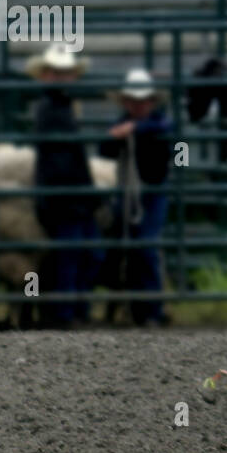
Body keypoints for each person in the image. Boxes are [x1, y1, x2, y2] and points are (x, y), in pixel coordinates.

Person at [27, 43, 100, 328]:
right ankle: (66, 315)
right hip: (65, 196)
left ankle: (73, 311)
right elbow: (61, 158)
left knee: (87, 254)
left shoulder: (60, 107)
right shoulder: (51, 109)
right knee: (73, 256)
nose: (61, 77)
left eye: (65, 72)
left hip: (72, 195)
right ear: (46, 75)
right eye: (56, 72)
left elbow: (68, 156)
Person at [99, 69, 172, 327]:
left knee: (146, 245)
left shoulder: (157, 123)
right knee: (126, 247)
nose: (139, 105)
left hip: (151, 194)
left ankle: (152, 310)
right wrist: (120, 134)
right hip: (129, 195)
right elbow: (105, 148)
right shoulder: (123, 125)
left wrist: (135, 128)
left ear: (152, 101)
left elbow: (167, 129)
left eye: (144, 100)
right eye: (134, 100)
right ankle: (134, 309)